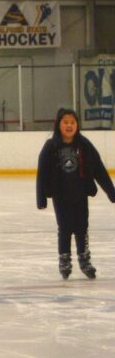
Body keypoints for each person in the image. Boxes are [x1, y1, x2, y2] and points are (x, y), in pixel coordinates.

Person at [35, 108, 115, 279]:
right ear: (58, 124)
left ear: (77, 125)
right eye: (65, 122)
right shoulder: (51, 146)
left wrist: (111, 191)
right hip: (60, 196)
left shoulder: (84, 145)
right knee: (64, 228)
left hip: (80, 194)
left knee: (82, 227)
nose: (69, 125)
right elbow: (42, 172)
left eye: (72, 122)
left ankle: (84, 260)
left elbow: (98, 169)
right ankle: (64, 259)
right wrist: (41, 197)